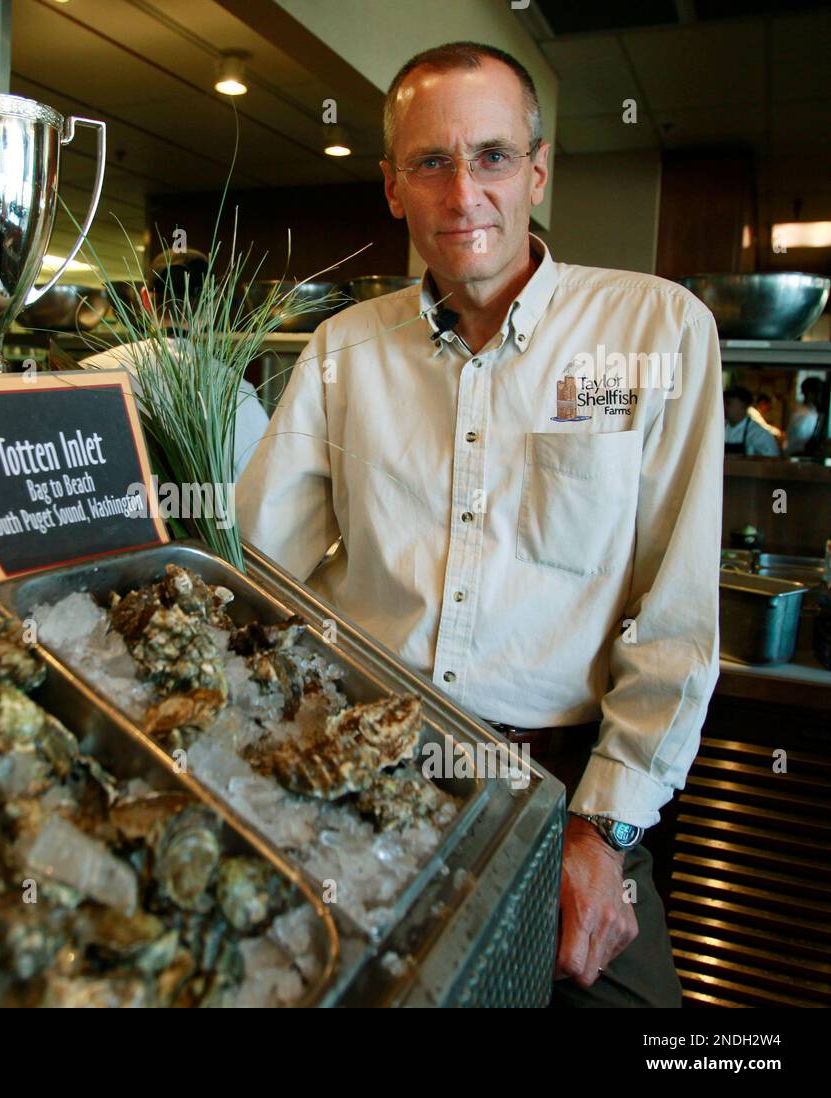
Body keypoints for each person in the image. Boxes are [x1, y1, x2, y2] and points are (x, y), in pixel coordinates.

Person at [236, 41, 723, 1007]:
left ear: (537, 171)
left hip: (562, 795)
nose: (464, 193)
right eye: (431, 162)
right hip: (368, 767)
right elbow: (260, 581)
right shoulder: (342, 349)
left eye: (493, 156)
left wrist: (606, 833)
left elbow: (673, 620)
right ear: (391, 188)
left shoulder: (656, 332)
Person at [79, 251, 270, 480]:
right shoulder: (236, 390)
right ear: (211, 306)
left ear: (145, 301)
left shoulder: (90, 371)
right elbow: (260, 485)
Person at [724, 387, 780, 456]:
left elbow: (770, 463)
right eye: (723, 403)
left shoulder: (759, 434)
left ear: (743, 405)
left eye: (728, 403)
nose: (724, 407)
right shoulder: (720, 430)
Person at [785, 377, 824, 456]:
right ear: (811, 394)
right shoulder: (805, 416)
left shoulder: (808, 412)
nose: (822, 397)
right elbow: (799, 446)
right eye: (820, 393)